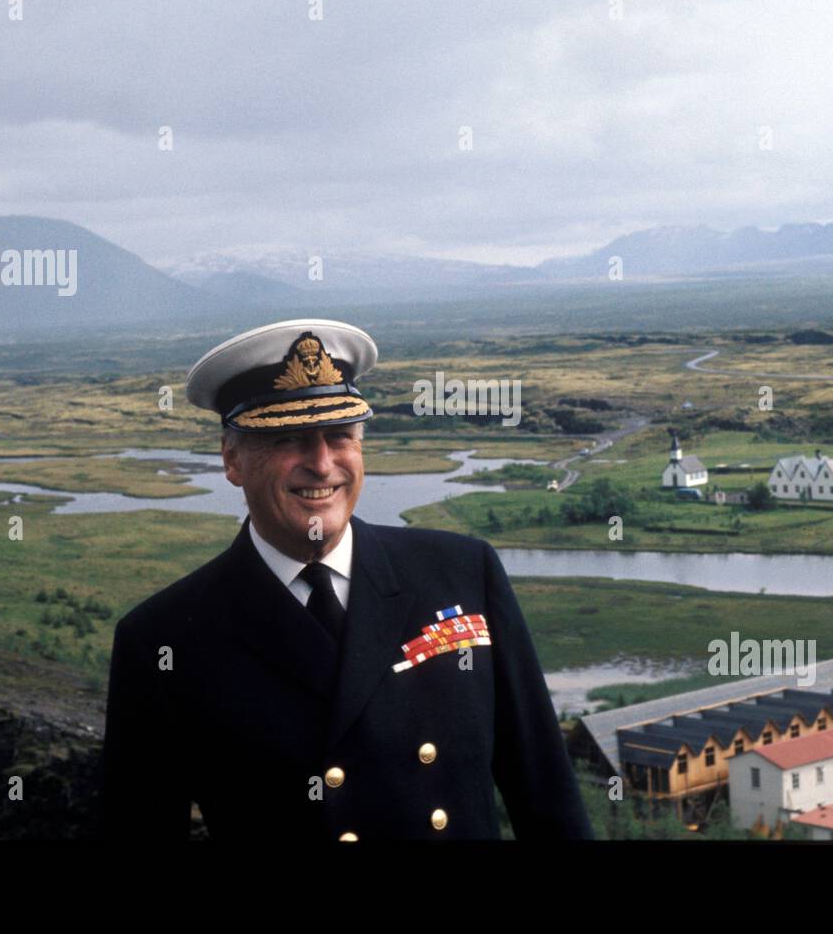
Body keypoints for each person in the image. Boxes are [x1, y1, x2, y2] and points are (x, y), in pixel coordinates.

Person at [103, 318, 593, 840]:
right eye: (288, 438)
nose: (322, 464)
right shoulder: (162, 640)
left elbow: (548, 798)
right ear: (232, 460)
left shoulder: (464, 572)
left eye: (340, 436)